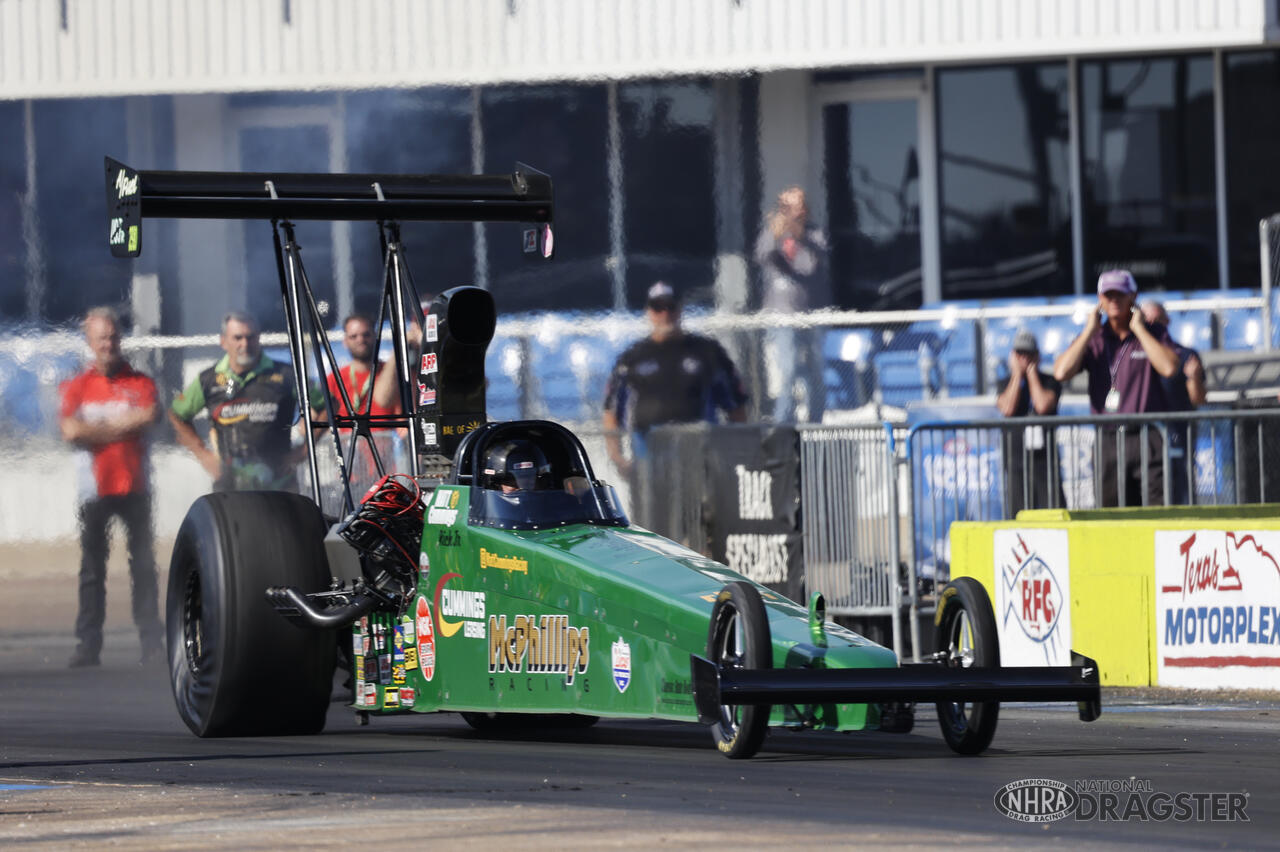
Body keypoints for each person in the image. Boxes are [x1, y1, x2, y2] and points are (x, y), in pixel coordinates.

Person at [58, 307, 163, 667]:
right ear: (90, 342)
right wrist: (121, 426)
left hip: (135, 487)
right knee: (91, 571)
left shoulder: (140, 382)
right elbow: (70, 431)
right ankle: (89, 645)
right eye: (101, 337)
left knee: (144, 568)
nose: (109, 343)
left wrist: (97, 430)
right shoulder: (78, 386)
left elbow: (149, 417)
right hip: (94, 491)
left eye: (113, 336)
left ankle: (152, 642)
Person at [1053, 269, 1179, 507]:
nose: (1113, 300)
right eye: (1108, 295)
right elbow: (1061, 372)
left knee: (1157, 512)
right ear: (1099, 300)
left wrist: (1140, 329)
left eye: (1120, 294)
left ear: (1133, 296)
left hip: (1147, 435)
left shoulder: (1153, 332)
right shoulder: (1094, 338)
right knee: (1111, 514)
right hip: (1109, 439)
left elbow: (1169, 368)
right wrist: (1089, 330)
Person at [603, 282, 749, 480]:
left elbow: (736, 407)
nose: (665, 314)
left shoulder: (708, 353)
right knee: (652, 509)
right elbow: (611, 411)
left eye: (670, 307)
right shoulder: (631, 360)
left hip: (699, 456)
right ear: (649, 312)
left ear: (680, 310)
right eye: (658, 307)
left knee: (696, 509)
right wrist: (618, 458)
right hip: (648, 457)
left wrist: (735, 456)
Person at [169, 311, 302, 492]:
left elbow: (326, 405)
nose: (245, 344)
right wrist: (202, 454)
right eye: (238, 338)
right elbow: (177, 413)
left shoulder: (285, 374)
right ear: (223, 341)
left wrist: (300, 453)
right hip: (229, 488)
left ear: (259, 338)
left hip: (279, 486)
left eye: (251, 337)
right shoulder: (209, 379)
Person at [754, 186, 831, 423]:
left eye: (799, 206)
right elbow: (763, 257)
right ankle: (783, 423)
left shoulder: (816, 234)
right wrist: (779, 235)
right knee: (787, 371)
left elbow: (810, 267)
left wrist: (799, 236)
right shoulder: (771, 233)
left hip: (811, 315)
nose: (795, 212)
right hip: (782, 316)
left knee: (816, 372)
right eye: (789, 207)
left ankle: (816, 421)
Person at [1142, 301, 1207, 504]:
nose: (1153, 325)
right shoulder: (1136, 356)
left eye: (1157, 320)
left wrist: (1193, 378)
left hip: (1176, 436)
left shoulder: (1186, 355)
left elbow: (1199, 399)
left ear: (1167, 321)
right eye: (1147, 321)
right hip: (1143, 439)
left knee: (1180, 489)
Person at [995, 328, 1065, 513]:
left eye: (1028, 354)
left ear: (1037, 355)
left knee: (1054, 514)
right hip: (1016, 462)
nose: (1024, 358)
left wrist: (1032, 373)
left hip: (1045, 463)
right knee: (1019, 517)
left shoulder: (1050, 381)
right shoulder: (1005, 383)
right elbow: (1007, 408)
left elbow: (1042, 406)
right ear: (1013, 355)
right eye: (1019, 354)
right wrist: (1017, 375)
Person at [481, 439, 554, 493]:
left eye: (528, 483)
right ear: (497, 486)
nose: (522, 491)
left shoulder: (552, 509)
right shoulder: (485, 511)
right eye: (513, 484)